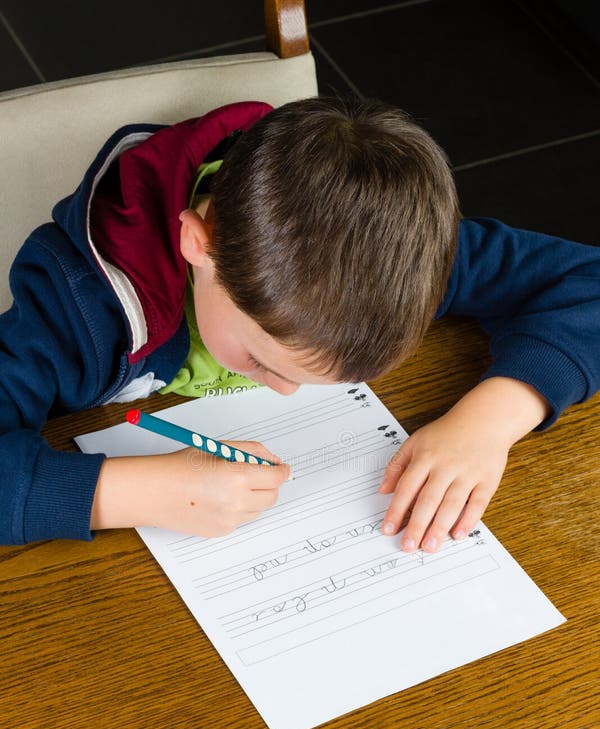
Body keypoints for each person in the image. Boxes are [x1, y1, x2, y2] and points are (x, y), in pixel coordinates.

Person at [1, 96, 598, 548]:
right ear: (199, 245)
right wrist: (134, 493)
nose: (285, 392)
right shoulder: (78, 307)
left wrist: (490, 422)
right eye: (262, 361)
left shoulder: (386, 256)